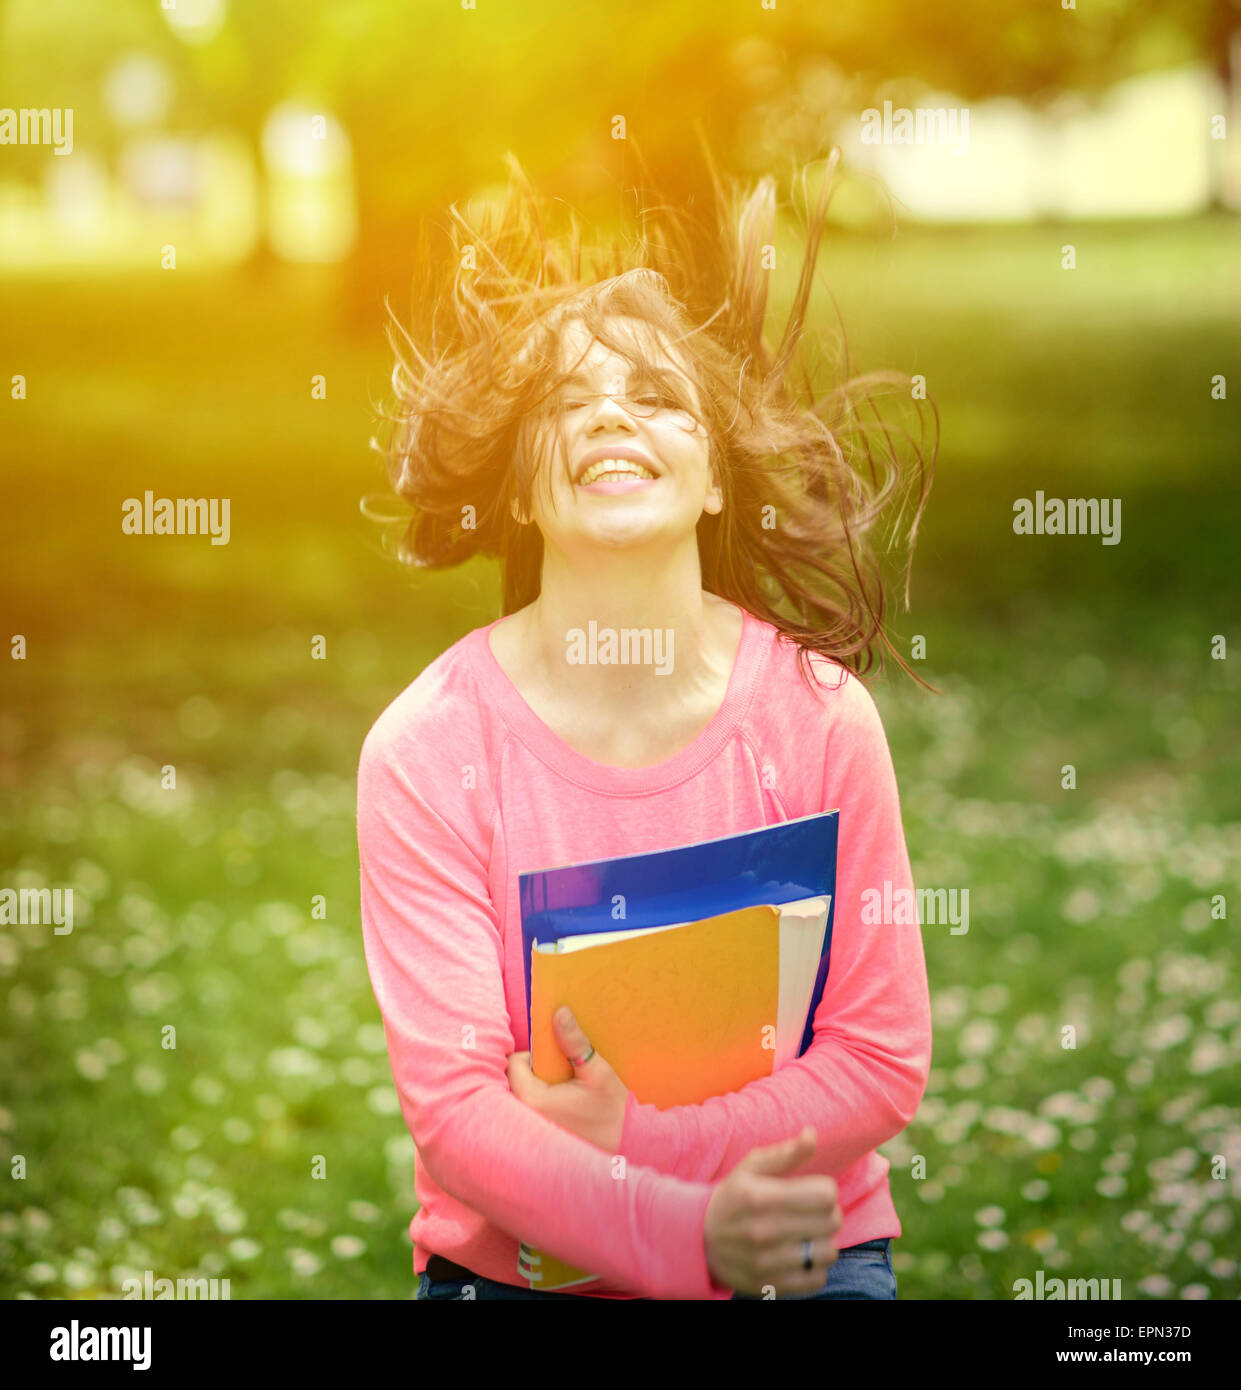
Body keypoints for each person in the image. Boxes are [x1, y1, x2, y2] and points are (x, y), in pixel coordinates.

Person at [357, 150, 936, 1300]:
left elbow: (876, 1058)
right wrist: (673, 1231)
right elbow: (456, 1110)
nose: (610, 413)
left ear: (714, 476)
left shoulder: (820, 718)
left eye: (656, 395)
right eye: (565, 403)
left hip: (791, 1245)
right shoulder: (425, 749)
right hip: (516, 1268)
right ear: (520, 490)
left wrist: (657, 1166)